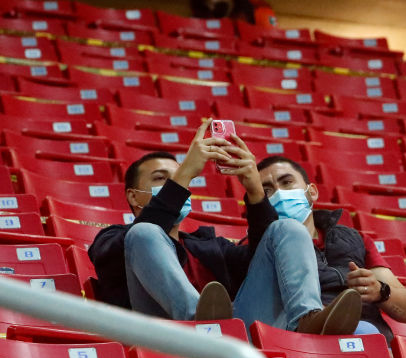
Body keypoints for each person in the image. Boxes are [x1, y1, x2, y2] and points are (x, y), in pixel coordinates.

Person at [89, 122, 360, 335]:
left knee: (287, 228)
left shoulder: (208, 247)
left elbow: (265, 256)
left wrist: (254, 188)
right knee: (144, 233)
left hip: (234, 337)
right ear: (133, 197)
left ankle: (306, 318)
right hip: (165, 339)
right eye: (163, 179)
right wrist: (185, 174)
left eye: (181, 179)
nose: (179, 185)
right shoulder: (113, 241)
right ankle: (199, 320)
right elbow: (141, 236)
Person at [256, 155, 406, 341]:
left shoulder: (355, 239)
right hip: (316, 344)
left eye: (287, 182)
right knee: (365, 332)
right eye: (267, 191)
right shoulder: (258, 249)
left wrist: (379, 291)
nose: (279, 194)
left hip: (380, 340)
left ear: (312, 192)